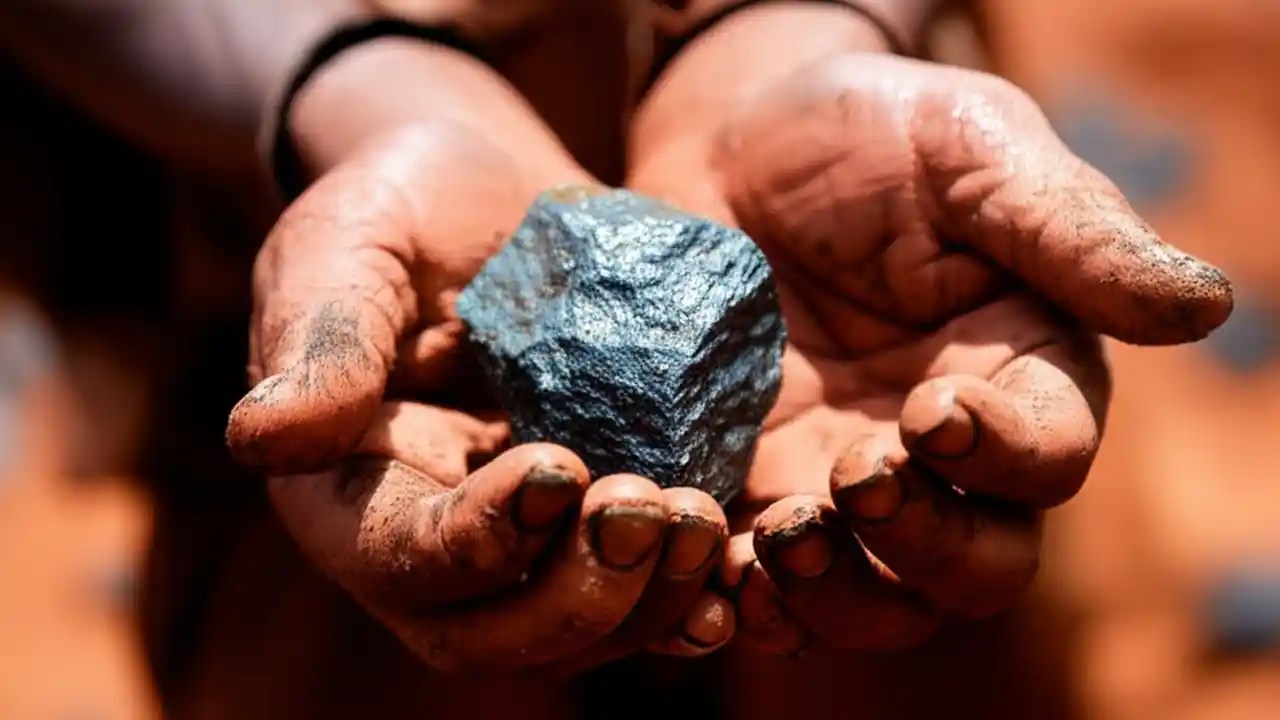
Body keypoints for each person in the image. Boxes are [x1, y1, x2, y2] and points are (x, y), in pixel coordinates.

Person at [0, 1, 1233, 717]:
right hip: (253, 115)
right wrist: (347, 77)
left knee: (955, 652)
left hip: (863, 234)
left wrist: (794, 22)